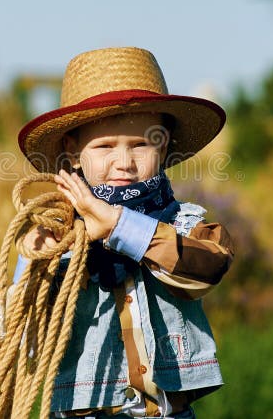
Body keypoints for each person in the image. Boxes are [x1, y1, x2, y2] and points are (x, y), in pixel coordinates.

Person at [15, 47, 234, 418]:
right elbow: (23, 332)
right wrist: (32, 265)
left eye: (140, 144)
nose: (124, 162)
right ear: (73, 151)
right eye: (104, 147)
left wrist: (117, 226)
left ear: (163, 145)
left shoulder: (181, 222)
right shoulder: (60, 233)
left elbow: (208, 269)